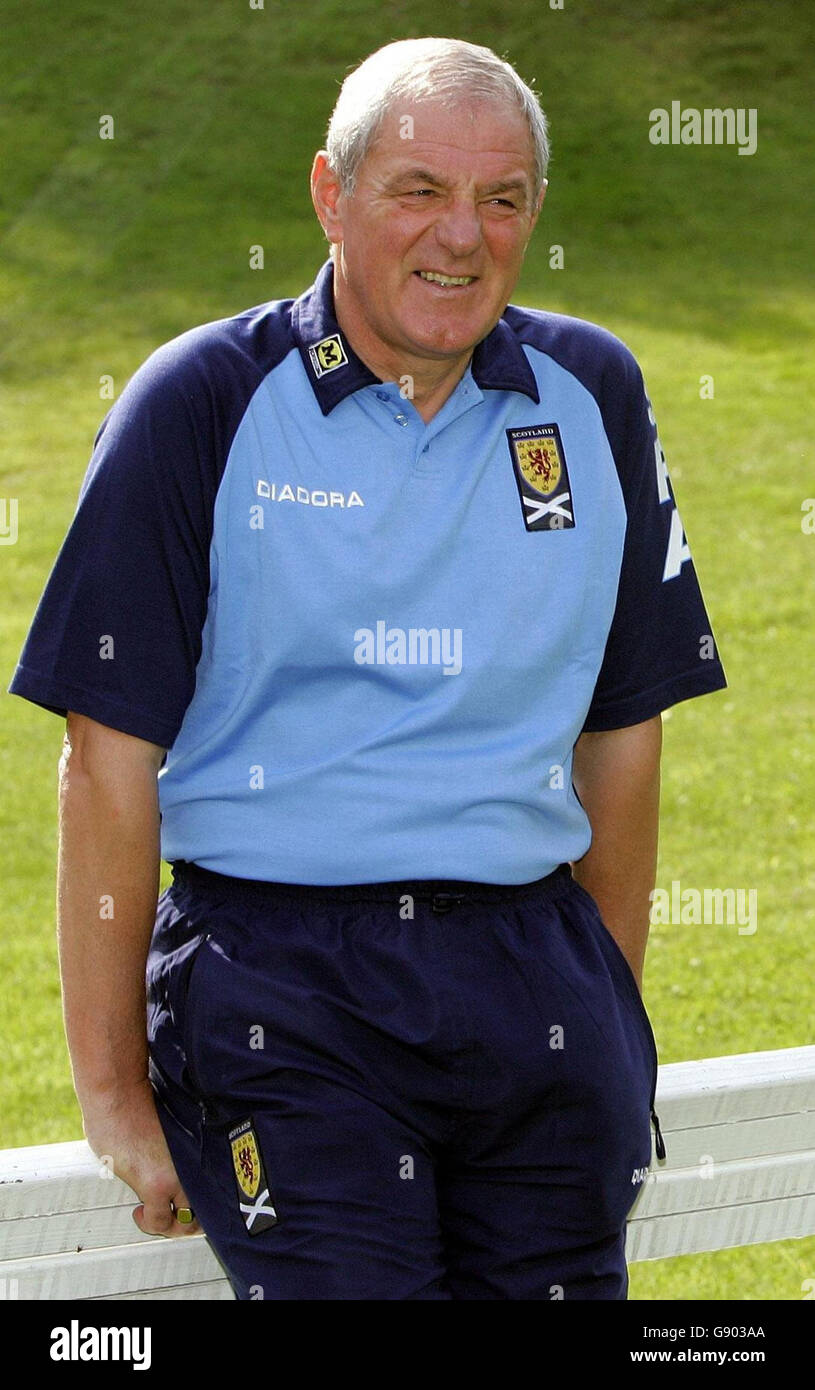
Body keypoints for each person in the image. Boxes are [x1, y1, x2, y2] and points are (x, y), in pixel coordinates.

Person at [8, 36, 726, 1300]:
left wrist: (601, 1010)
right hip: (280, 984)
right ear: (330, 197)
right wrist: (114, 1092)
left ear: (534, 214)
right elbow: (106, 759)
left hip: (533, 974)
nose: (461, 236)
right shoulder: (201, 401)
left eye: (499, 199)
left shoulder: (593, 393)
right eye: (417, 190)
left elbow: (623, 732)